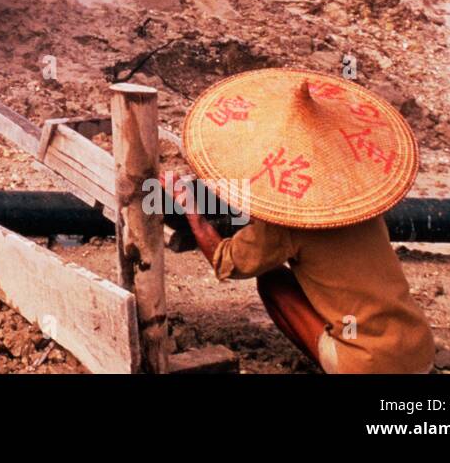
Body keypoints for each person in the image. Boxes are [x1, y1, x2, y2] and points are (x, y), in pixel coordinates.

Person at [174, 67, 435, 374]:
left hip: (368, 366)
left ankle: (333, 363)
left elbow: (226, 263)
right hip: (419, 351)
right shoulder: (358, 198)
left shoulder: (290, 220)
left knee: (272, 280)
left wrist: (190, 209)